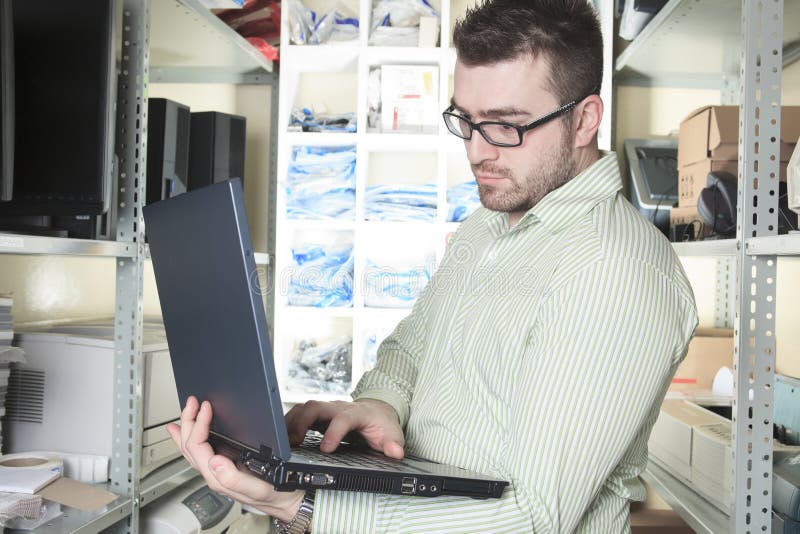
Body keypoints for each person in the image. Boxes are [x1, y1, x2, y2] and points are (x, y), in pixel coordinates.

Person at [167, 0, 698, 531]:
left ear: (584, 121)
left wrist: (299, 505)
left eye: (505, 126)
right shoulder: (488, 224)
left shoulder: (616, 272)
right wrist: (380, 403)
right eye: (465, 120)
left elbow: (534, 518)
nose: (475, 151)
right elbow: (411, 349)